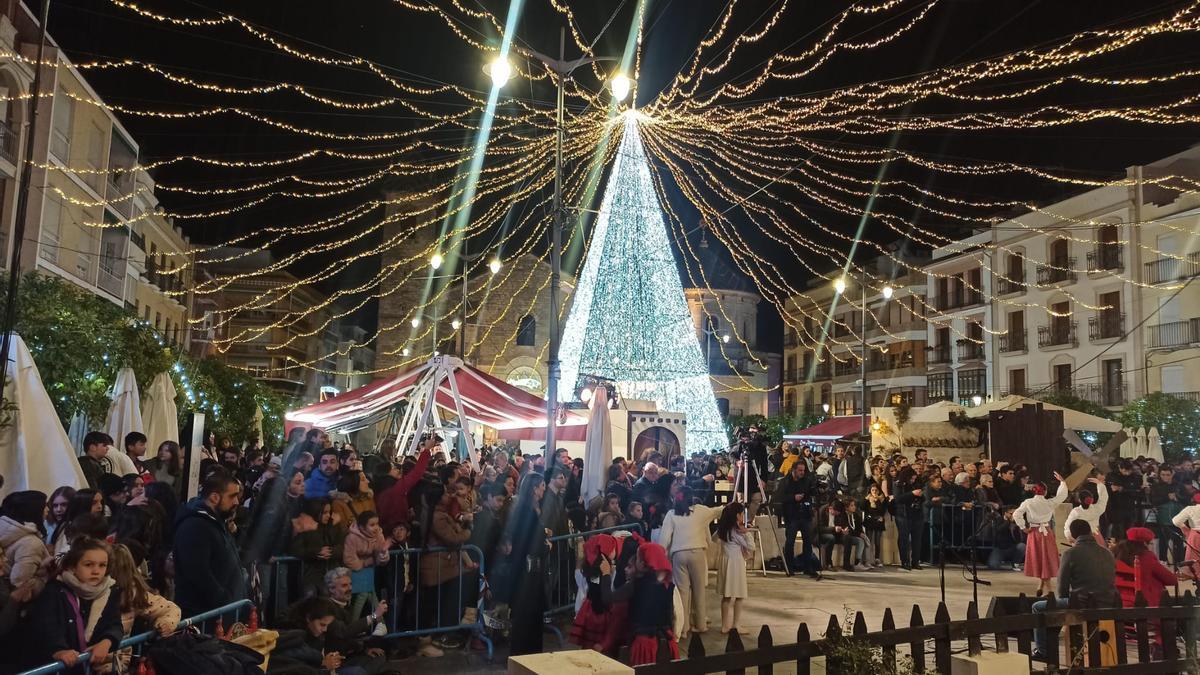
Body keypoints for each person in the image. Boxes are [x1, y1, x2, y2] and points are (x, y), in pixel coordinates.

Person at [25, 538, 123, 673]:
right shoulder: (55, 591)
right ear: (72, 566)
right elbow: (46, 625)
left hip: (90, 667)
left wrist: (107, 641)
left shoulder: (110, 590)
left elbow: (115, 623)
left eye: (102, 565)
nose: (96, 571)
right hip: (60, 667)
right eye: (88, 565)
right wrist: (58, 649)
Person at [1033, 519, 1116, 659]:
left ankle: (1043, 651)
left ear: (1072, 535)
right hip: (1108, 601)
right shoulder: (1107, 553)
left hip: (1082, 603)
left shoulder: (1071, 553)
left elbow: (1062, 586)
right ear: (1090, 531)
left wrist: (1062, 601)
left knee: (1038, 607)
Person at [172, 472, 246, 619]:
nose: (237, 502)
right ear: (214, 497)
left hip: (223, 613)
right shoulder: (194, 526)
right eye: (232, 496)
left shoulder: (216, 522)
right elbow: (198, 573)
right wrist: (224, 600)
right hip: (205, 616)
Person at [103, 543, 180, 673]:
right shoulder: (86, 594)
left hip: (115, 665)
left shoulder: (132, 594)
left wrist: (166, 623)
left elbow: (170, 608)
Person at [658, 486, 722, 637]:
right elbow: (717, 511)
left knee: (682, 592)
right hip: (698, 553)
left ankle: (683, 627)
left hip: (679, 555)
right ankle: (700, 624)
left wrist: (662, 557)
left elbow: (663, 540)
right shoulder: (700, 511)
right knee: (699, 590)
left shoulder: (671, 514)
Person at [605, 542, 678, 666]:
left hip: (645, 643)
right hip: (666, 640)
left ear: (645, 563)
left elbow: (608, 598)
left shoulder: (636, 585)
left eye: (638, 558)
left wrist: (605, 574)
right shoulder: (668, 585)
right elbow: (670, 615)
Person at [506, 473, 549, 656]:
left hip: (527, 572)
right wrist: (546, 544)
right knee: (527, 619)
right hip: (527, 574)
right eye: (541, 486)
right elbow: (531, 543)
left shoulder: (524, 510)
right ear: (534, 489)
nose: (544, 489)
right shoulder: (527, 512)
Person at [1013, 472, 1068, 596]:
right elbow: (1061, 496)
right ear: (1045, 492)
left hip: (1034, 532)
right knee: (1046, 559)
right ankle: (1049, 590)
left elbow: (1016, 514)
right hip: (1046, 531)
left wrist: (1023, 527)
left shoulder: (1028, 502)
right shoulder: (1049, 503)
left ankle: (1042, 586)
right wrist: (1063, 482)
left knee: (1040, 558)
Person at [290, 498, 347, 598]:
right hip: (311, 573)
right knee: (310, 594)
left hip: (332, 571)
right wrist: (316, 552)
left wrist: (331, 551)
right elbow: (296, 550)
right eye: (324, 512)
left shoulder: (334, 526)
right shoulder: (306, 528)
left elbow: (342, 547)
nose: (328, 515)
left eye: (329, 512)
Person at [342, 511, 390, 621]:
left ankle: (378, 624)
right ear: (362, 527)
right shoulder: (351, 537)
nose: (376, 528)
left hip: (369, 571)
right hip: (354, 571)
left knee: (370, 596)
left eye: (377, 524)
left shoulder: (378, 535)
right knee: (364, 595)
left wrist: (383, 556)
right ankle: (359, 625)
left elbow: (380, 555)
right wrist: (366, 562)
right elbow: (349, 559)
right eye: (372, 525)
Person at [1114, 527, 1178, 608]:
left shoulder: (1118, 554)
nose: (1153, 547)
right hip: (1145, 604)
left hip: (1122, 602)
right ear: (1144, 543)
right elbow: (1171, 580)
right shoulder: (1147, 557)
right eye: (1151, 543)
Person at [777, 459, 820, 577]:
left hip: (805, 515)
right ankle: (789, 567)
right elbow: (780, 497)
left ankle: (808, 567)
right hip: (792, 516)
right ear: (794, 470)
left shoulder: (806, 481)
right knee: (790, 542)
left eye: (803, 470)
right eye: (800, 470)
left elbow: (810, 493)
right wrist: (793, 497)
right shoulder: (785, 482)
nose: (802, 473)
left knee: (808, 542)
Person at [715, 502, 753, 635]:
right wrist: (746, 533)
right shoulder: (736, 532)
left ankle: (724, 625)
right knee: (739, 595)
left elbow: (714, 539)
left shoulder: (723, 529)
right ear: (737, 515)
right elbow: (751, 546)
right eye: (742, 514)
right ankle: (736, 624)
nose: (743, 517)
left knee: (726, 596)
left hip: (725, 563)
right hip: (736, 564)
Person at [893, 467, 925, 571]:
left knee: (917, 539)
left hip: (917, 514)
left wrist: (920, 495)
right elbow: (898, 499)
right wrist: (912, 494)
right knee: (904, 539)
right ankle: (905, 561)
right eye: (911, 479)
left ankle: (915, 561)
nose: (913, 481)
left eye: (914, 479)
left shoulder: (916, 484)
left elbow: (923, 497)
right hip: (903, 514)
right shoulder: (898, 484)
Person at [1064, 477, 1108, 546]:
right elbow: (1103, 499)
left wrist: (1069, 536)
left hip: (1081, 538)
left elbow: (1068, 525)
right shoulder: (1096, 509)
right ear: (1092, 499)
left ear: (1079, 500)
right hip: (1095, 536)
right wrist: (1100, 485)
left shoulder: (1076, 511)